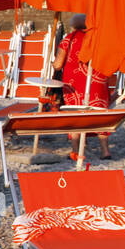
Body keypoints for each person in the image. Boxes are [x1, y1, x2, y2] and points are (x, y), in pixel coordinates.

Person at [53, 13, 113, 159]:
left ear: (73, 26)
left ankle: (76, 151)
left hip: (74, 84)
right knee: (99, 113)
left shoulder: (69, 39)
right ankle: (105, 151)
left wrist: (53, 65)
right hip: (97, 81)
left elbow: (58, 64)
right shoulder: (98, 39)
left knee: (75, 113)